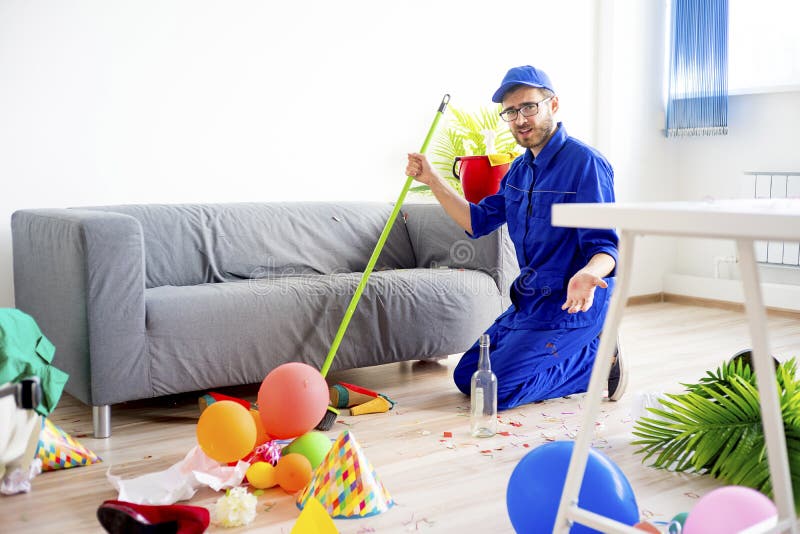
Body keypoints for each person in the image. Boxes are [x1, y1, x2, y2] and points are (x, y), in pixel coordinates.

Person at [406, 65, 627, 410]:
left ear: (553, 105)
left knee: (494, 392)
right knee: (467, 376)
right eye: (511, 111)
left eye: (529, 107)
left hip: (573, 304)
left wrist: (588, 273)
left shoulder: (585, 164)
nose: (520, 119)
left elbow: (606, 248)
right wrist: (433, 179)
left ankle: (599, 360)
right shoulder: (519, 171)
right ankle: (585, 354)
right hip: (530, 302)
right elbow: (477, 220)